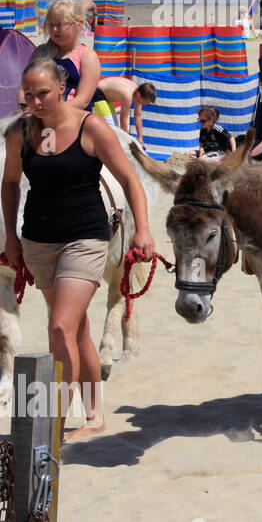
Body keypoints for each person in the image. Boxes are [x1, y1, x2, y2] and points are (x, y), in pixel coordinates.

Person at [2, 57, 155, 441]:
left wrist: (144, 232)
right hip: (38, 240)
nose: (35, 102)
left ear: (62, 90)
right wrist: (10, 236)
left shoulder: (92, 127)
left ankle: (49, 424)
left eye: (43, 94)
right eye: (29, 95)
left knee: (59, 327)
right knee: (78, 327)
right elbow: (10, 184)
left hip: (85, 239)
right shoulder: (20, 133)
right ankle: (94, 416)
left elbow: (130, 180)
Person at [34, 0, 112, 121]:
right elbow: (25, 87)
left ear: (78, 24)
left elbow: (83, 100)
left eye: (60, 24)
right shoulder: (40, 52)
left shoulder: (87, 56)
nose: (54, 29)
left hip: (75, 119)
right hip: (41, 116)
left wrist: (52, 111)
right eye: (51, 24)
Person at [96, 77, 156, 143]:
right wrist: (127, 140)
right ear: (139, 95)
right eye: (143, 102)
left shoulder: (137, 92)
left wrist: (140, 137)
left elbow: (138, 116)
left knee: (115, 129)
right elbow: (123, 119)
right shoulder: (128, 95)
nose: (143, 104)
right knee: (112, 129)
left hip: (106, 97)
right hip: (97, 92)